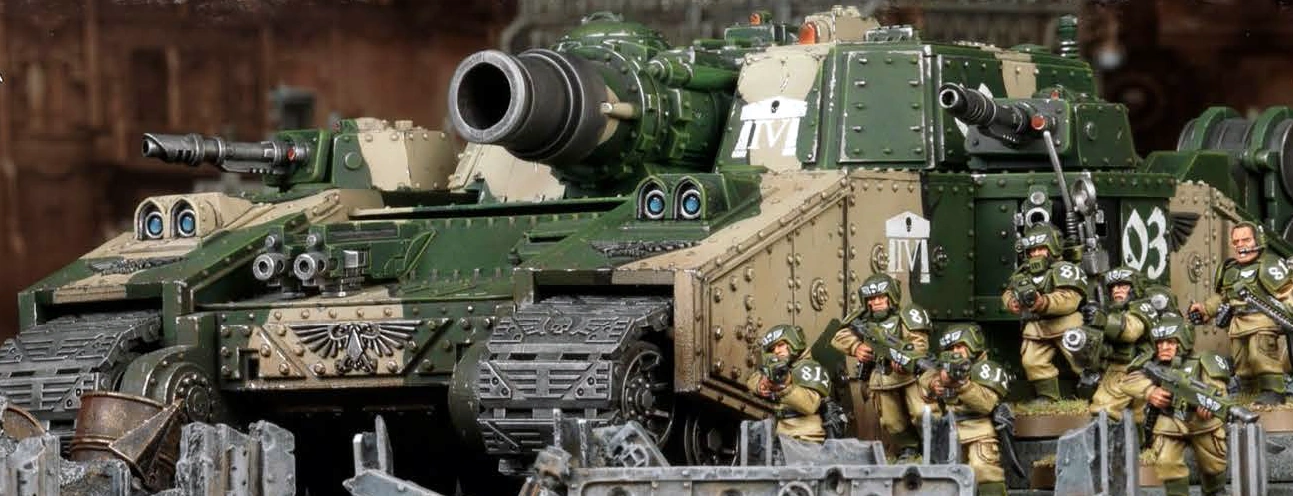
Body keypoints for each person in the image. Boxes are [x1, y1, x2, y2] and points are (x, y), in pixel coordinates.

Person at [1120, 313, 1230, 496]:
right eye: (1160, 343)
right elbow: (1128, 381)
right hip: (1168, 423)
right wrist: (1150, 391)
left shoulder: (1204, 359)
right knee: (1167, 462)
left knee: (1214, 463)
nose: (1164, 347)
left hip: (1202, 424)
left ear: (1183, 342)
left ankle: (1215, 491)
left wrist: (1209, 407)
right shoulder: (1150, 363)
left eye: (1170, 342)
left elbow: (1219, 391)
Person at [1188, 221, 1293, 405]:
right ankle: (1248, 392)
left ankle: (1274, 391)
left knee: (1260, 355)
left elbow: (1286, 291)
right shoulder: (1230, 270)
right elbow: (1223, 297)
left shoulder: (1270, 265)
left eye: (1246, 240)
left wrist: (1289, 309)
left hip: (1263, 319)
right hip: (1238, 322)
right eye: (1236, 242)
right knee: (1241, 361)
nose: (1241, 245)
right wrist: (1205, 309)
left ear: (1258, 240)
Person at [830, 273, 931, 460]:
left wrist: (906, 357)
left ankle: (931, 447)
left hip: (909, 377)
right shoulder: (862, 320)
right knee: (892, 421)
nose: (876, 302)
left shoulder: (907, 316)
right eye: (871, 298)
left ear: (891, 297)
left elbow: (919, 343)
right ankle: (909, 448)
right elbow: (839, 336)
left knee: (921, 413)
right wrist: (857, 347)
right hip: (882, 378)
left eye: (881, 297)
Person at [919, 323, 1009, 496]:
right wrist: (934, 384)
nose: (956, 351)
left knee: (984, 469)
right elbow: (925, 385)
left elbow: (986, 404)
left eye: (960, 346)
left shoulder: (985, 369)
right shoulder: (940, 371)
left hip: (979, 430)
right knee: (946, 476)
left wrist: (961, 385)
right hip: (949, 432)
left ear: (973, 345)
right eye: (951, 348)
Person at [1003, 223, 1087, 404]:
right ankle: (1048, 396)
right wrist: (1012, 302)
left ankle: (1093, 391)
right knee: (1032, 361)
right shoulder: (1024, 273)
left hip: (1066, 325)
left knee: (1082, 360)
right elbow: (1009, 292)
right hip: (1037, 328)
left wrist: (1043, 302)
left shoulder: (1064, 269)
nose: (1036, 254)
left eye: (1041, 249)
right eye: (1032, 250)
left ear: (1053, 247)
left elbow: (1069, 299)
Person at [1087, 266, 1157, 421]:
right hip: (1117, 366)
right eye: (1113, 287)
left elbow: (1132, 330)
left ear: (1135, 288)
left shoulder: (1143, 307)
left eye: (1123, 286)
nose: (1116, 290)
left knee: (1105, 408)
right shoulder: (1113, 311)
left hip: (1136, 368)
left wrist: (1103, 320)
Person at [746, 324, 830, 443]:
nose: (776, 351)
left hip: (806, 434)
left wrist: (784, 387)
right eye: (772, 349)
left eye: (781, 345)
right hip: (783, 432)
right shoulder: (778, 367)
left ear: (793, 343)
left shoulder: (808, 368)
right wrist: (761, 384)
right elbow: (752, 379)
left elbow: (810, 405)